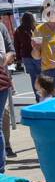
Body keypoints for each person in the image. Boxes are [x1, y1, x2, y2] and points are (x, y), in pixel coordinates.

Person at [14, 13, 39, 102]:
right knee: (42, 76)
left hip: (26, 56)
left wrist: (18, 58)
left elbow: (16, 45)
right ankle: (44, 96)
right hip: (37, 55)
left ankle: (38, 97)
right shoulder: (36, 28)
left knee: (33, 77)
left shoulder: (18, 30)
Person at [0, 20, 14, 169]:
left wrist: (4, 62)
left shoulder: (1, 26)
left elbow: (10, 51)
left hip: (1, 79)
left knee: (4, 116)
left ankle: (7, 147)